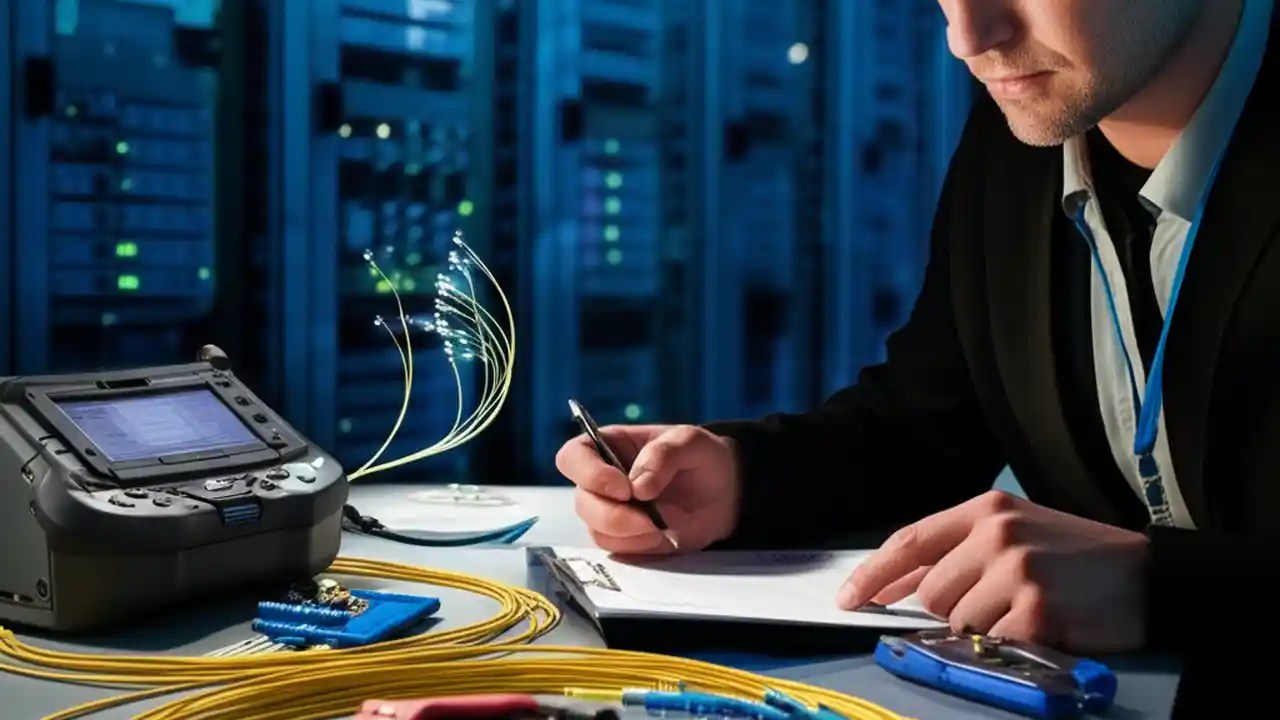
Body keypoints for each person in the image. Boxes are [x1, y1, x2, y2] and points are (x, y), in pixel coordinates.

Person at [556, 0, 1280, 658]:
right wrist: (740, 479)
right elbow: (928, 425)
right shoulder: (1024, 123)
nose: (967, 37)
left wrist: (1167, 590)